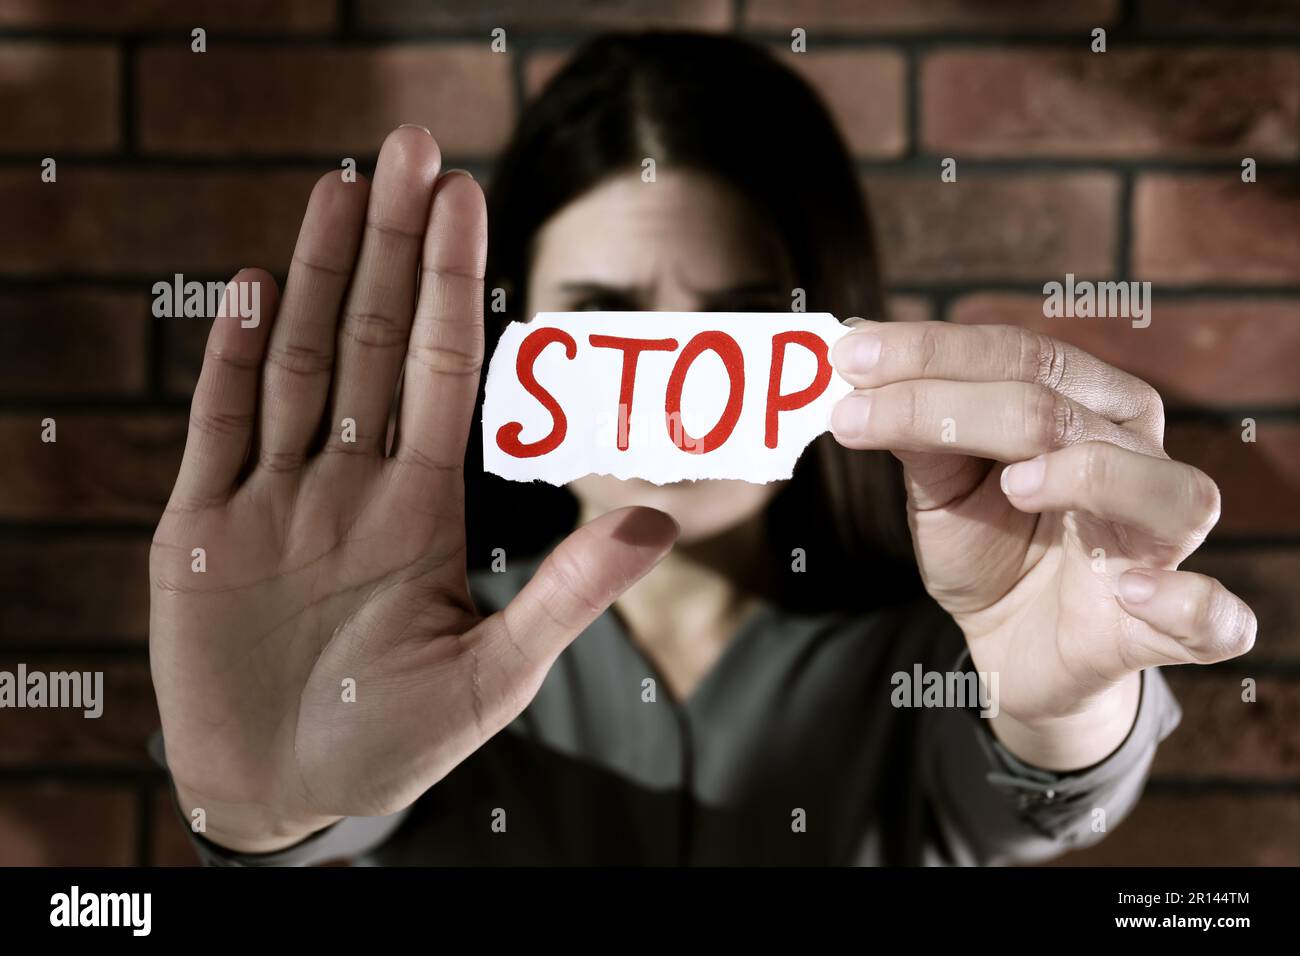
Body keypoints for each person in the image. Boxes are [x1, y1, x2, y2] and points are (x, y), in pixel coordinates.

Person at [148, 33, 1253, 866]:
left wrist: (1067, 702)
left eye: (734, 316)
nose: (672, 391)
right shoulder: (384, 644)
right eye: (602, 315)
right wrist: (263, 814)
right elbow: (323, 814)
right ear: (509, 337)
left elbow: (1034, 781)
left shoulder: (938, 655)